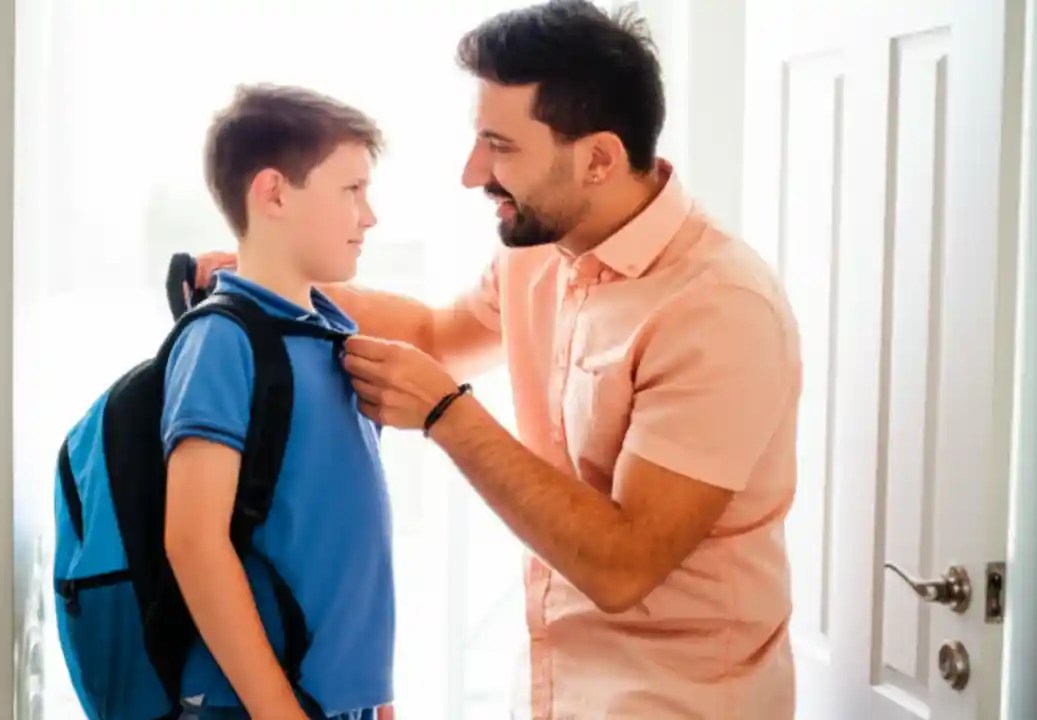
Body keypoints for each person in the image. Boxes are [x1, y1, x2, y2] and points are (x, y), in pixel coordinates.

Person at [189, 2, 801, 717]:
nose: (471, 173)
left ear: (599, 159)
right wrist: (266, 275)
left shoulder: (721, 307)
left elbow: (623, 566)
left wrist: (447, 416)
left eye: (499, 147)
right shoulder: (541, 249)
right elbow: (436, 334)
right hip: (553, 692)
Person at [163, 84, 394, 720]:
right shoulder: (222, 340)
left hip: (336, 700)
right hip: (254, 705)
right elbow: (194, 540)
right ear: (273, 193)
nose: (369, 216)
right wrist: (278, 711)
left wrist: (375, 695)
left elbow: (344, 536)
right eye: (352, 190)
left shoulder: (332, 340)